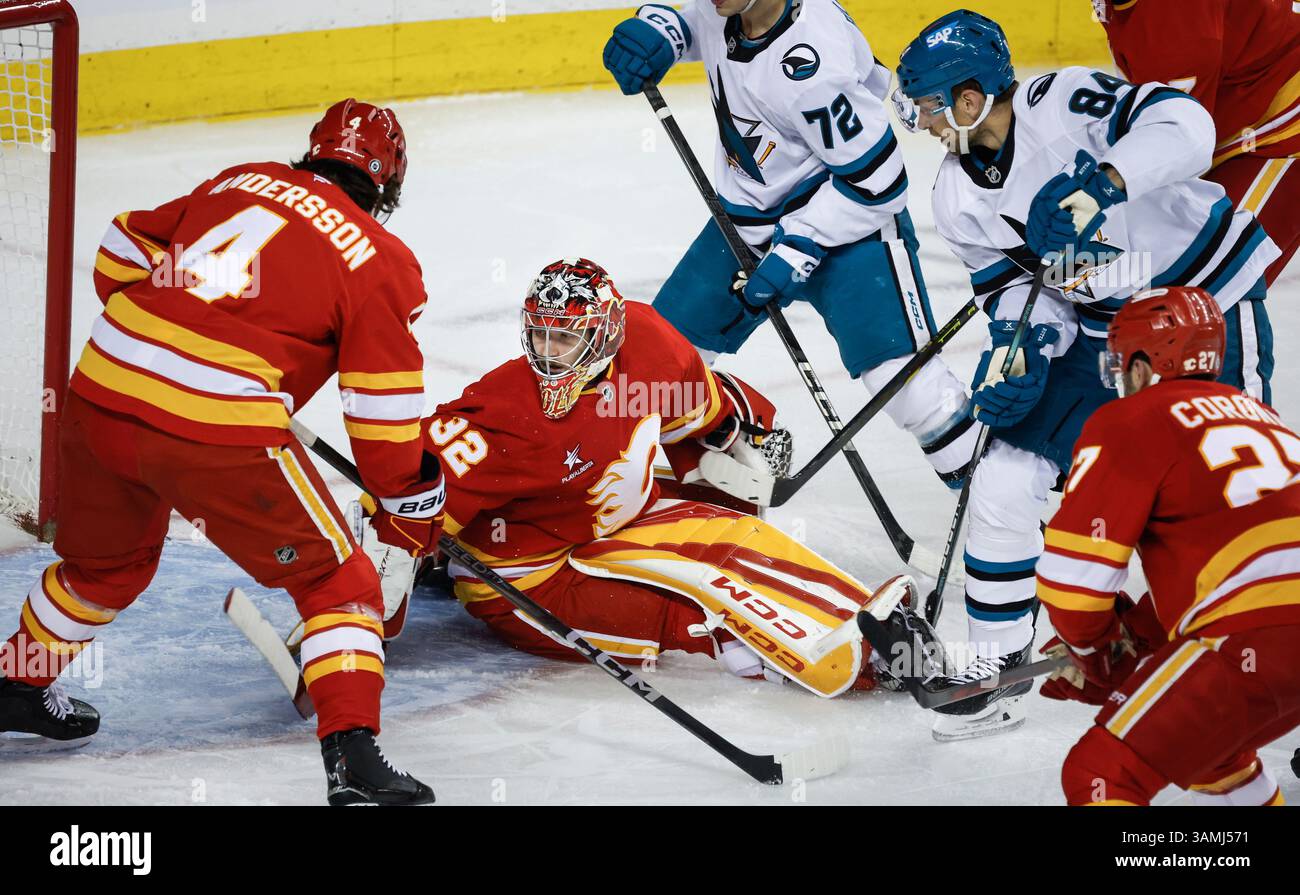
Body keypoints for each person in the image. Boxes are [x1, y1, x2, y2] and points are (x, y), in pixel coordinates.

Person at [0, 99, 444, 806]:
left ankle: (16, 681)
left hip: (102, 386)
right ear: (387, 185)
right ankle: (354, 763)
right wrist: (413, 491)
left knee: (105, 565)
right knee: (337, 581)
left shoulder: (242, 178)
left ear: (313, 152)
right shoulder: (380, 258)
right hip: (215, 424)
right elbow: (381, 409)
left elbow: (120, 251)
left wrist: (174, 336)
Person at [893, 9, 1279, 740]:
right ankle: (993, 671)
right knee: (1004, 472)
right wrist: (1022, 348)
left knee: (1237, 502)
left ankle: (1264, 666)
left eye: (933, 107)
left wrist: (1100, 183)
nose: (926, 123)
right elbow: (1015, 291)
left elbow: (1189, 127)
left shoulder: (1064, 105)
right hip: (1107, 335)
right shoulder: (955, 194)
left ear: (971, 99)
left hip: (1206, 303)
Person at [395, 258, 934, 698]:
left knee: (741, 540)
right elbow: (402, 499)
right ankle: (850, 660)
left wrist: (742, 441)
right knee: (693, 615)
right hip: (524, 576)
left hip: (621, 516)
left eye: (565, 339)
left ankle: (874, 623)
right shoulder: (508, 412)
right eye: (540, 337)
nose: (548, 356)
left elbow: (704, 413)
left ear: (607, 335)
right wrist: (379, 594)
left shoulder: (649, 346)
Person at [601, 0, 979, 492]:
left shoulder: (810, 63)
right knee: (651, 368)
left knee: (909, 388)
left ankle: (997, 509)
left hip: (848, 227)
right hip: (747, 222)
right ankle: (734, 434)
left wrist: (797, 248)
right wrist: (658, 31)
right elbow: (695, 22)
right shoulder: (732, 7)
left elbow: (879, 183)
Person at [1037, 285, 1299, 806]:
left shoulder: (1132, 419)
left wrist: (1096, 652)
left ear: (1141, 366)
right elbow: (1245, 574)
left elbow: (1074, 581)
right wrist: (1130, 636)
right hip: (1272, 639)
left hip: (1260, 641)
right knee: (1209, 755)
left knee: (1100, 775)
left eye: (1118, 365)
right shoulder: (1265, 420)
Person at [1094, 0, 1300, 286]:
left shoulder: (1174, 19)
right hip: (1240, 107)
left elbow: (1181, 142)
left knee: (1208, 285)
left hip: (1283, 125)